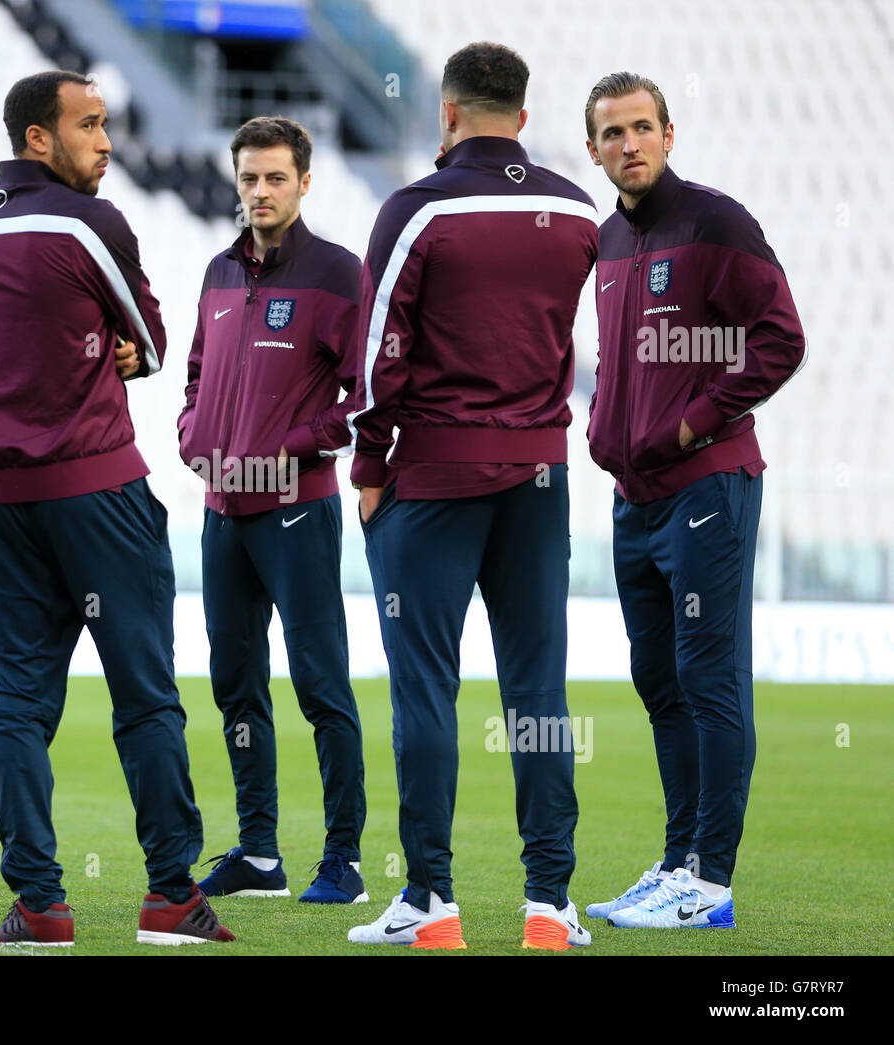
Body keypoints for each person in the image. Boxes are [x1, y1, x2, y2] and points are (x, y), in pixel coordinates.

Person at [0, 70, 234, 947]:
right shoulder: (88, 220)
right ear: (39, 138)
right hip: (96, 492)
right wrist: (117, 350)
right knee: (144, 699)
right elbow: (145, 338)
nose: (107, 142)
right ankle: (171, 897)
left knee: (16, 703)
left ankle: (39, 905)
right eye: (91, 125)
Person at [346, 42, 598, 950]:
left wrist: (370, 464)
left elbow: (378, 363)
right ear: (524, 118)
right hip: (539, 477)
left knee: (426, 692)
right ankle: (548, 905)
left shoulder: (417, 209)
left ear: (446, 114)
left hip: (436, 478)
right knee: (537, 694)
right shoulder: (574, 208)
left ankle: (431, 902)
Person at [581, 73, 806, 929]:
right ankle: (677, 859)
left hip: (709, 484)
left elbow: (782, 338)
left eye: (642, 128)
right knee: (658, 680)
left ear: (669, 135)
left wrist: (692, 424)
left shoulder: (717, 222)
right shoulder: (605, 241)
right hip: (631, 497)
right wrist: (609, 433)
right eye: (612, 133)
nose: (629, 144)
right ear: (594, 148)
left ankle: (710, 881)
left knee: (709, 677)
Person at [177, 116, 367, 904]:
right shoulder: (219, 272)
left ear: (305, 182)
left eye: (276, 178)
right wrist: (192, 435)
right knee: (235, 685)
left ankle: (345, 860)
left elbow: (366, 399)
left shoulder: (338, 274)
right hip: (223, 513)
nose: (260, 191)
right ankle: (259, 852)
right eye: (249, 178)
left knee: (321, 685)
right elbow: (194, 376)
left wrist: (289, 448)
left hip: (297, 510)